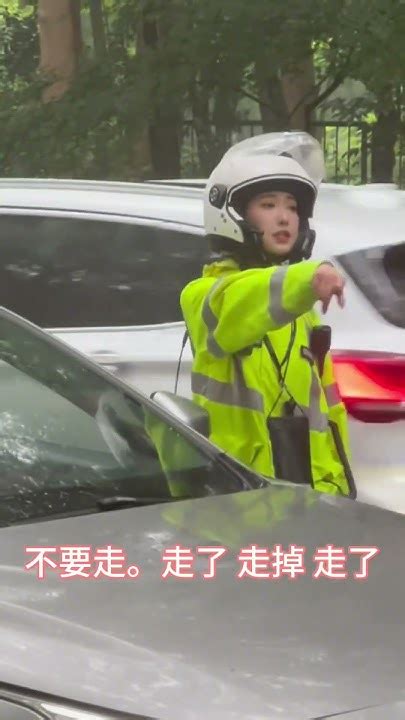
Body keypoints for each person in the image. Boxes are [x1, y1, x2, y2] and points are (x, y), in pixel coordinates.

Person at [180, 131, 355, 498]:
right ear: (232, 215)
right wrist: (310, 277)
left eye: (292, 207)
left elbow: (329, 415)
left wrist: (340, 490)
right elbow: (245, 299)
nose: (284, 217)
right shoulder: (205, 297)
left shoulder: (301, 313)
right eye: (268, 204)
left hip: (309, 499)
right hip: (241, 499)